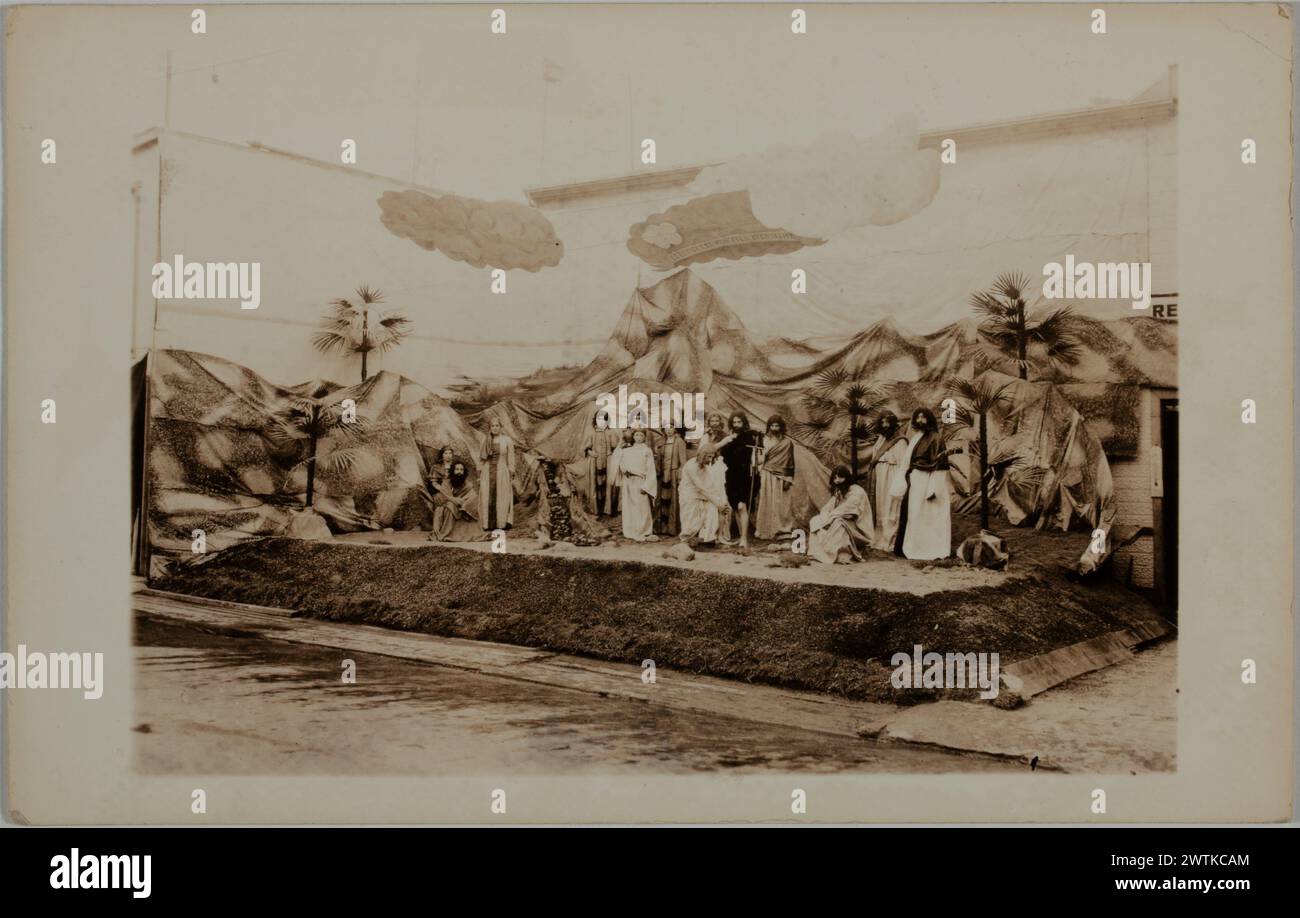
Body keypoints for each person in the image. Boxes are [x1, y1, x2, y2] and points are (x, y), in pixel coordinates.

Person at [893, 407, 955, 560]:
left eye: (923, 417)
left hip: (929, 480)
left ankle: (927, 549)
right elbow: (906, 462)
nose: (920, 421)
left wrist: (933, 489)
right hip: (915, 480)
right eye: (918, 417)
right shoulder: (916, 437)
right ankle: (911, 547)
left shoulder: (936, 438)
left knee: (928, 516)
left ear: (929, 419)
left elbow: (940, 468)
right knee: (914, 515)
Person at [808, 465, 873, 564]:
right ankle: (817, 553)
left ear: (847, 478)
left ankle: (842, 555)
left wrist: (830, 518)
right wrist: (825, 517)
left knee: (838, 522)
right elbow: (828, 508)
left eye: (840, 477)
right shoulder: (840, 491)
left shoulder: (857, 491)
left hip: (858, 527)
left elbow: (848, 511)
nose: (837, 480)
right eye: (835, 478)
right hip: (841, 519)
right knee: (815, 520)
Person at [866, 411, 906, 550]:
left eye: (888, 422)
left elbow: (902, 464)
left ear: (893, 424)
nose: (885, 425)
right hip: (879, 477)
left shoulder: (900, 441)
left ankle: (890, 542)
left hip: (892, 477)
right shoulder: (881, 439)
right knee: (880, 506)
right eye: (882, 422)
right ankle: (878, 541)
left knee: (890, 507)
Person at [719, 411, 762, 539]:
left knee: (742, 506)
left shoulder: (750, 436)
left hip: (745, 476)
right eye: (734, 422)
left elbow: (759, 457)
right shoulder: (728, 438)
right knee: (735, 506)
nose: (737, 424)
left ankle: (744, 539)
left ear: (744, 423)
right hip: (731, 476)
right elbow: (723, 456)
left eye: (739, 422)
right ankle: (742, 536)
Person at [677, 446, 730, 545]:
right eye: (708, 457)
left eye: (712, 457)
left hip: (701, 494)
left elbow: (709, 485)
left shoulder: (705, 467)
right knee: (690, 519)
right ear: (702, 455)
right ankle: (686, 540)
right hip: (688, 494)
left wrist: (719, 502)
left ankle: (708, 538)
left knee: (712, 509)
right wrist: (718, 504)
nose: (710, 460)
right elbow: (700, 487)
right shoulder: (691, 466)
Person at [755, 414, 796, 539]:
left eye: (777, 425)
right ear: (769, 426)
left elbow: (790, 463)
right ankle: (765, 531)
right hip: (767, 473)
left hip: (782, 476)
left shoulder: (787, 443)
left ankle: (782, 530)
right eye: (772, 425)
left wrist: (788, 479)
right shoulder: (765, 440)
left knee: (781, 504)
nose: (774, 428)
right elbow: (760, 460)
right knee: (767, 501)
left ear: (781, 427)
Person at [614, 428, 659, 541]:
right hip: (629, 480)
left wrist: (647, 486)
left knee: (641, 506)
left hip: (640, 480)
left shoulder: (647, 450)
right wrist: (624, 470)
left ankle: (644, 530)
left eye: (641, 436)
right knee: (629, 506)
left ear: (644, 437)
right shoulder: (627, 450)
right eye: (637, 435)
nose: (638, 437)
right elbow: (620, 460)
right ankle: (630, 531)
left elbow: (650, 469)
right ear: (633, 437)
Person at [476, 418, 516, 532]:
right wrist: (479, 475)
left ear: (501, 427)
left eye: (497, 425)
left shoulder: (507, 440)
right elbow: (481, 460)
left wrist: (511, 472)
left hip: (502, 471)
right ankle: (487, 524)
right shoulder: (485, 440)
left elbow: (511, 458)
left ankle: (501, 523)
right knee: (486, 496)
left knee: (502, 496)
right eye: (492, 426)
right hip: (487, 472)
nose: (495, 428)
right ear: (490, 428)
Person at [428, 460, 479, 541]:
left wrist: (465, 503)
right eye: (457, 469)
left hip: (462, 507)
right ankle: (446, 533)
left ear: (464, 472)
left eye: (461, 470)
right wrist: (457, 501)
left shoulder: (467, 484)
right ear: (453, 470)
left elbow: (473, 496)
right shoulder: (446, 482)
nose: (459, 472)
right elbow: (446, 496)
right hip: (446, 505)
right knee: (450, 507)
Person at [584, 414, 620, 517]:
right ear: (595, 421)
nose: (601, 421)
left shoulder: (611, 433)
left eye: (604, 419)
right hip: (596, 462)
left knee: (609, 484)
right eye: (598, 419)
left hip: (609, 462)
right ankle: (598, 509)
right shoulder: (592, 434)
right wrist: (590, 452)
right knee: (598, 485)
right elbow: (586, 448)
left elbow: (616, 448)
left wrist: (611, 453)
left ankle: (608, 509)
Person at [657, 426, 689, 536]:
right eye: (666, 428)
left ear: (675, 429)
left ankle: (672, 528)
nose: (669, 430)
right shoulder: (662, 441)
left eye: (671, 427)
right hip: (663, 474)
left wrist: (681, 474)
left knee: (673, 499)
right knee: (662, 499)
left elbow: (683, 460)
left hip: (673, 473)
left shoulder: (679, 441)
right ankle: (661, 528)